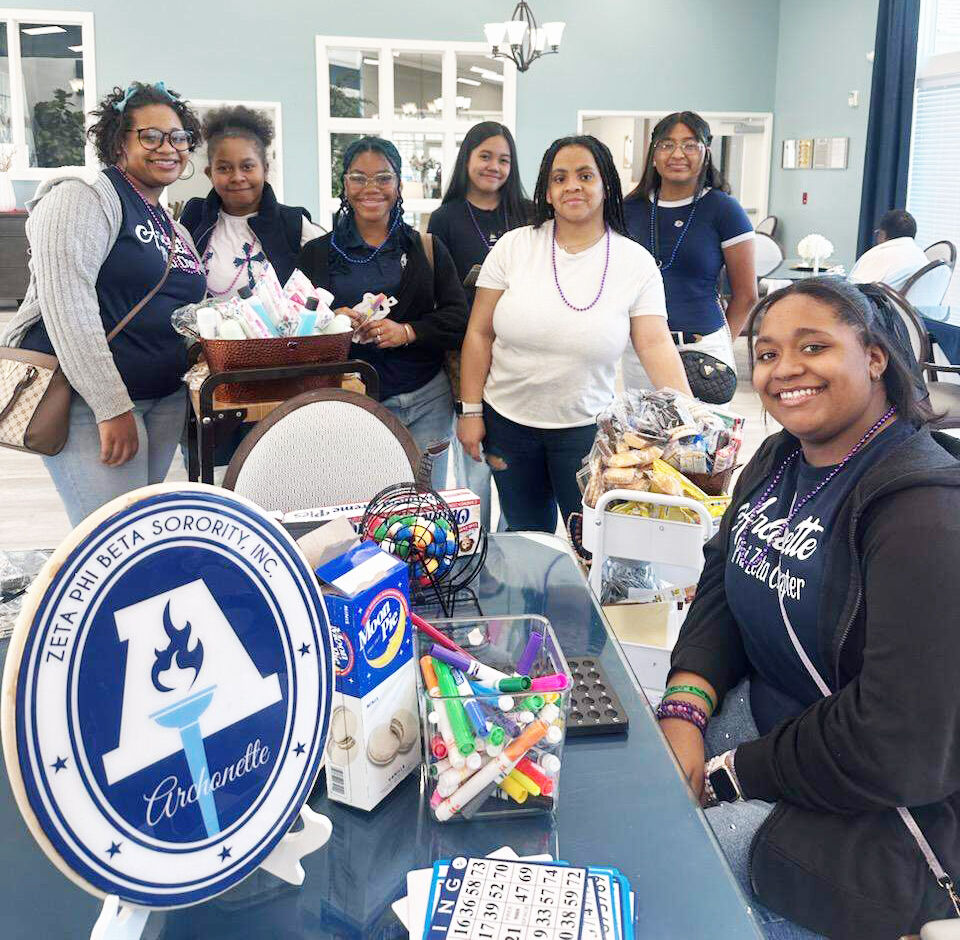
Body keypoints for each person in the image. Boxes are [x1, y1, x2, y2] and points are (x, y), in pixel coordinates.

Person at [658, 276, 960, 939]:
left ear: (874, 357)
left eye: (813, 346)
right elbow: (722, 582)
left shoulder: (924, 514)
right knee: (637, 781)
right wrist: (684, 707)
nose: (783, 370)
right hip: (781, 723)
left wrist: (734, 774)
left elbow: (898, 744)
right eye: (765, 354)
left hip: (884, 810)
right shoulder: (778, 459)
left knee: (679, 865)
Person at [457, 135, 691, 534]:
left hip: (585, 429)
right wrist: (471, 411)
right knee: (527, 536)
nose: (572, 187)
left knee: (592, 538)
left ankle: (583, 599)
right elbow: (479, 333)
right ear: (547, 192)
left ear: (606, 186)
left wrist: (690, 420)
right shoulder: (514, 247)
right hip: (507, 424)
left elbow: (654, 343)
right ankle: (533, 598)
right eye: (559, 178)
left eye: (585, 176)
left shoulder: (635, 263)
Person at [0, 81, 206, 526]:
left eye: (178, 137)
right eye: (150, 136)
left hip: (163, 400)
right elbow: (67, 304)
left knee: (144, 536)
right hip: (91, 404)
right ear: (118, 143)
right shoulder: (83, 197)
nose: (167, 147)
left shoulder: (174, 225)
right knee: (109, 543)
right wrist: (110, 405)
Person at [298, 137, 468, 487]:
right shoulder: (316, 253)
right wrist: (335, 321)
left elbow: (457, 318)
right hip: (354, 402)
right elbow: (296, 326)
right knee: (365, 499)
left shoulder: (427, 247)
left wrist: (407, 331)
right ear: (344, 184)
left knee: (424, 504)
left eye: (383, 177)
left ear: (399, 184)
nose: (370, 188)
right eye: (358, 177)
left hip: (427, 399)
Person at [428, 121, 530, 528]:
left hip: (520, 349)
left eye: (504, 160)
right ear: (467, 158)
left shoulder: (529, 213)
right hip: (464, 350)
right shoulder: (445, 218)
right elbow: (441, 290)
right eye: (485, 156)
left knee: (514, 456)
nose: (494, 166)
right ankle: (479, 544)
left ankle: (514, 542)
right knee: (473, 455)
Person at [622, 111, 757, 400]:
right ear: (653, 154)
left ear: (706, 153)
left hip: (702, 351)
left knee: (701, 443)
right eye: (667, 144)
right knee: (642, 442)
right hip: (640, 352)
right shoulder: (628, 210)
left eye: (690, 144)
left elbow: (746, 295)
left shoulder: (724, 209)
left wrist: (718, 344)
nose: (678, 154)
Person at [180, 105, 324, 298]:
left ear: (264, 169)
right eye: (224, 168)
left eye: (247, 167)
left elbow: (322, 294)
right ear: (210, 173)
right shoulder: (193, 219)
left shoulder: (294, 224)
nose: (237, 177)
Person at [850, 209, 930, 291]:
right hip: (907, 303)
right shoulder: (921, 256)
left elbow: (853, 292)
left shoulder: (878, 254)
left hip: (882, 303)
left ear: (882, 234)